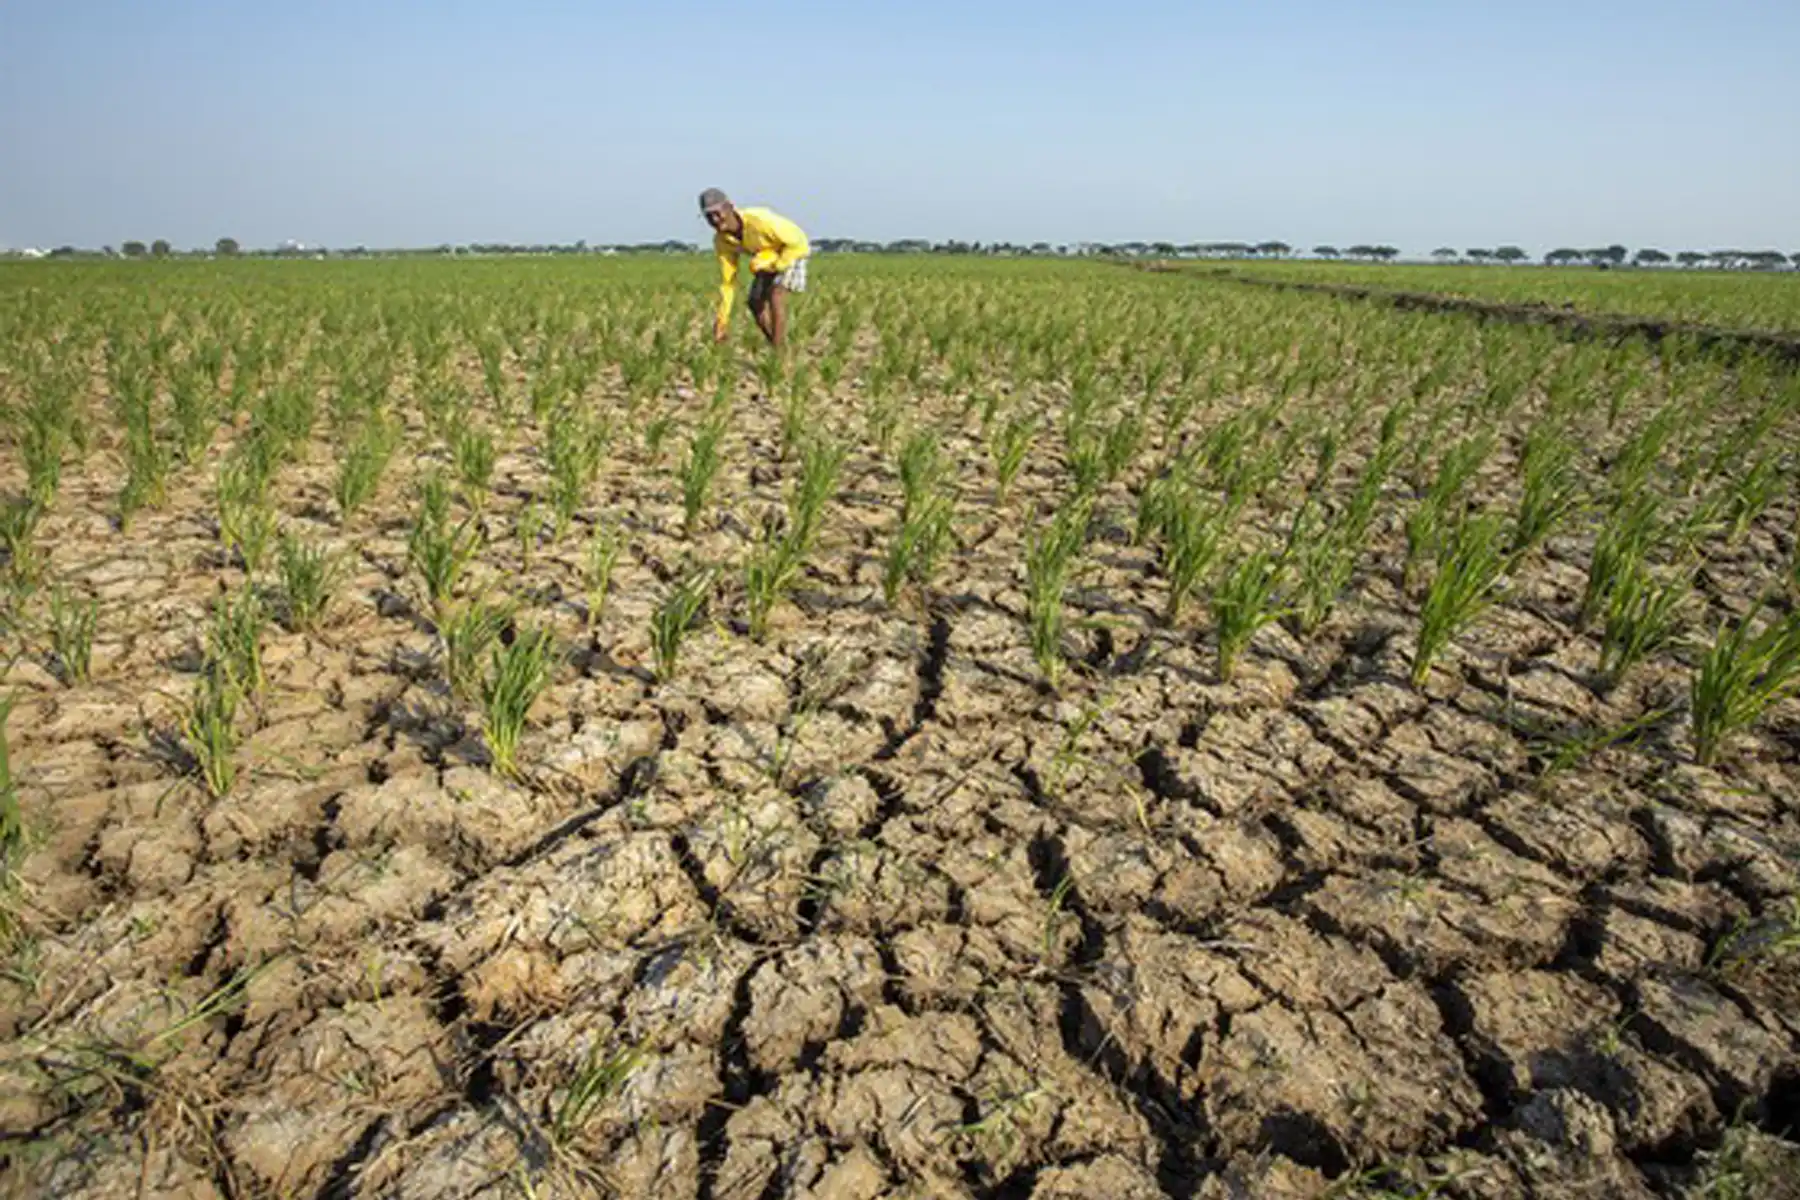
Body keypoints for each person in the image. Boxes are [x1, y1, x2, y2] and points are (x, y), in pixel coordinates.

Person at [700, 188, 810, 349]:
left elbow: (798, 242)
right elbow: (728, 283)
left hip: (791, 250)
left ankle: (778, 354)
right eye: (709, 217)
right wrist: (722, 321)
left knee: (776, 294)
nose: (715, 220)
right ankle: (777, 345)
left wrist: (778, 266)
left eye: (717, 213)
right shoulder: (722, 241)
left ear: (730, 207)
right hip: (765, 258)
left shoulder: (760, 220)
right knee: (754, 303)